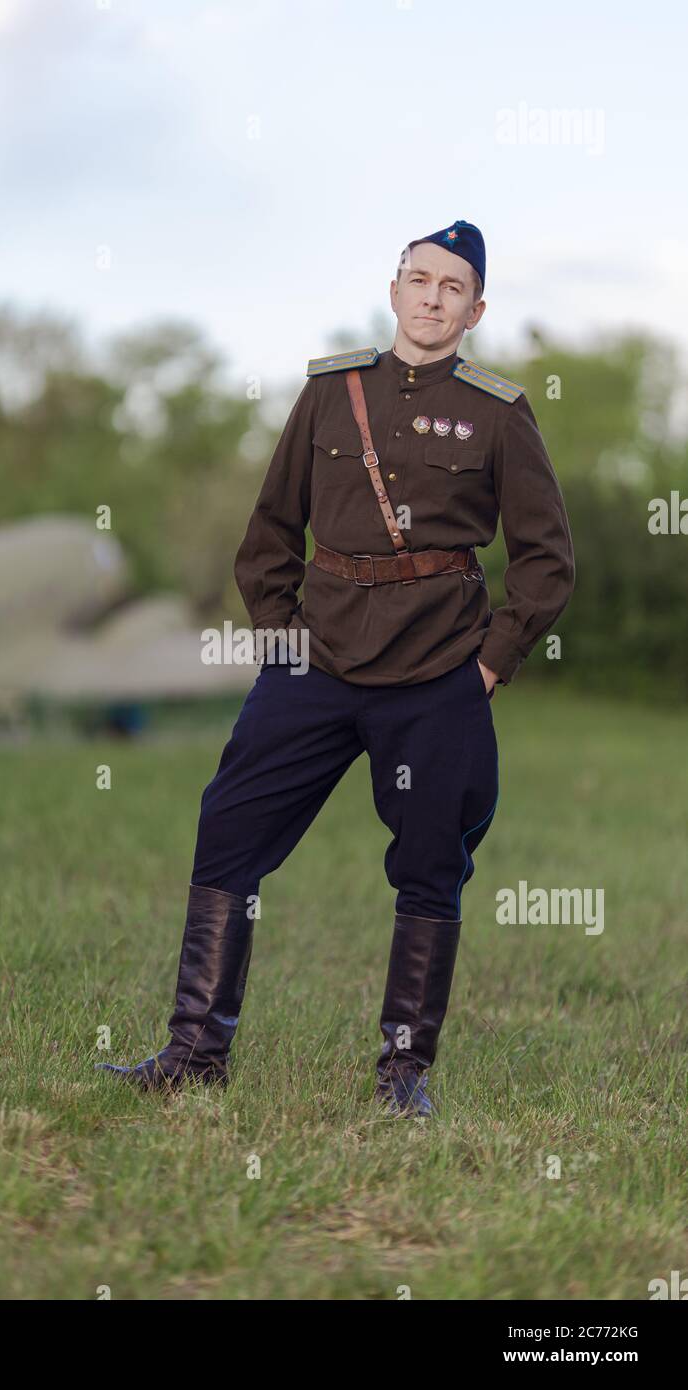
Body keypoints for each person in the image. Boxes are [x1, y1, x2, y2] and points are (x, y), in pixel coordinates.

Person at [98, 219, 575, 1117]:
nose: (433, 297)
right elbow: (271, 528)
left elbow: (548, 561)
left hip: (439, 671)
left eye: (453, 287)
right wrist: (280, 636)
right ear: (394, 290)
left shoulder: (499, 413)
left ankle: (403, 1075)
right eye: (419, 279)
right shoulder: (330, 392)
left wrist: (488, 668)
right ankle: (194, 1052)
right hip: (314, 660)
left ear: (476, 309)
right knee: (228, 830)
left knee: (432, 865)